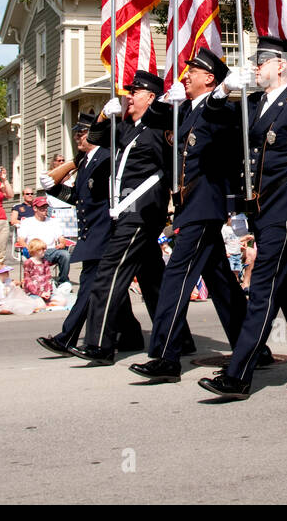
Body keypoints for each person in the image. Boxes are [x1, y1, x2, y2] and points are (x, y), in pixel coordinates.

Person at [198, 35, 287, 399]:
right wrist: (223, 91)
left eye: (262, 60)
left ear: (281, 65)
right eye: (255, 60)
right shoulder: (252, 104)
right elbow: (212, 125)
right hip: (260, 212)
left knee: (262, 293)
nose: (255, 66)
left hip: (286, 213)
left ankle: (238, 375)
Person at [131, 47, 250, 384]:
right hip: (189, 204)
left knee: (176, 278)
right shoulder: (185, 112)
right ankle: (252, 345)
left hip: (204, 205)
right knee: (221, 282)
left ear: (210, 78)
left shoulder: (222, 110)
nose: (186, 76)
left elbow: (218, 114)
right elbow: (151, 120)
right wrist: (163, 102)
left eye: (193, 72)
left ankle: (166, 356)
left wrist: (224, 91)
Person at [72, 70, 173, 364]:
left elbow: (169, 149)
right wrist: (105, 115)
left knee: (109, 274)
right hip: (125, 212)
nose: (128, 96)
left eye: (135, 92)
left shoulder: (158, 127)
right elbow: (95, 137)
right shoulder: (127, 128)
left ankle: (100, 345)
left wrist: (163, 105)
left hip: (141, 212)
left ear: (151, 97)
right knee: (153, 281)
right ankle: (180, 339)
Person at [36, 112, 146, 356]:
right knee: (110, 289)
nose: (78, 136)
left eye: (83, 132)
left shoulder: (106, 159)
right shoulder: (86, 162)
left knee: (89, 287)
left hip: (104, 234)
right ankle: (131, 335)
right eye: (76, 132)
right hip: (91, 235)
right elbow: (78, 198)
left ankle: (67, 337)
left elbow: (119, 193)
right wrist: (55, 188)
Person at [14, 198, 71, 283]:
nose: (45, 210)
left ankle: (63, 282)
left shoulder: (53, 221)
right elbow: (21, 240)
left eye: (46, 207)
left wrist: (62, 244)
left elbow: (61, 238)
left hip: (50, 251)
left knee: (65, 255)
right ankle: (33, 282)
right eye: (42, 207)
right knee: (31, 255)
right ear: (35, 208)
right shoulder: (27, 222)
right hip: (34, 251)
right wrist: (29, 248)